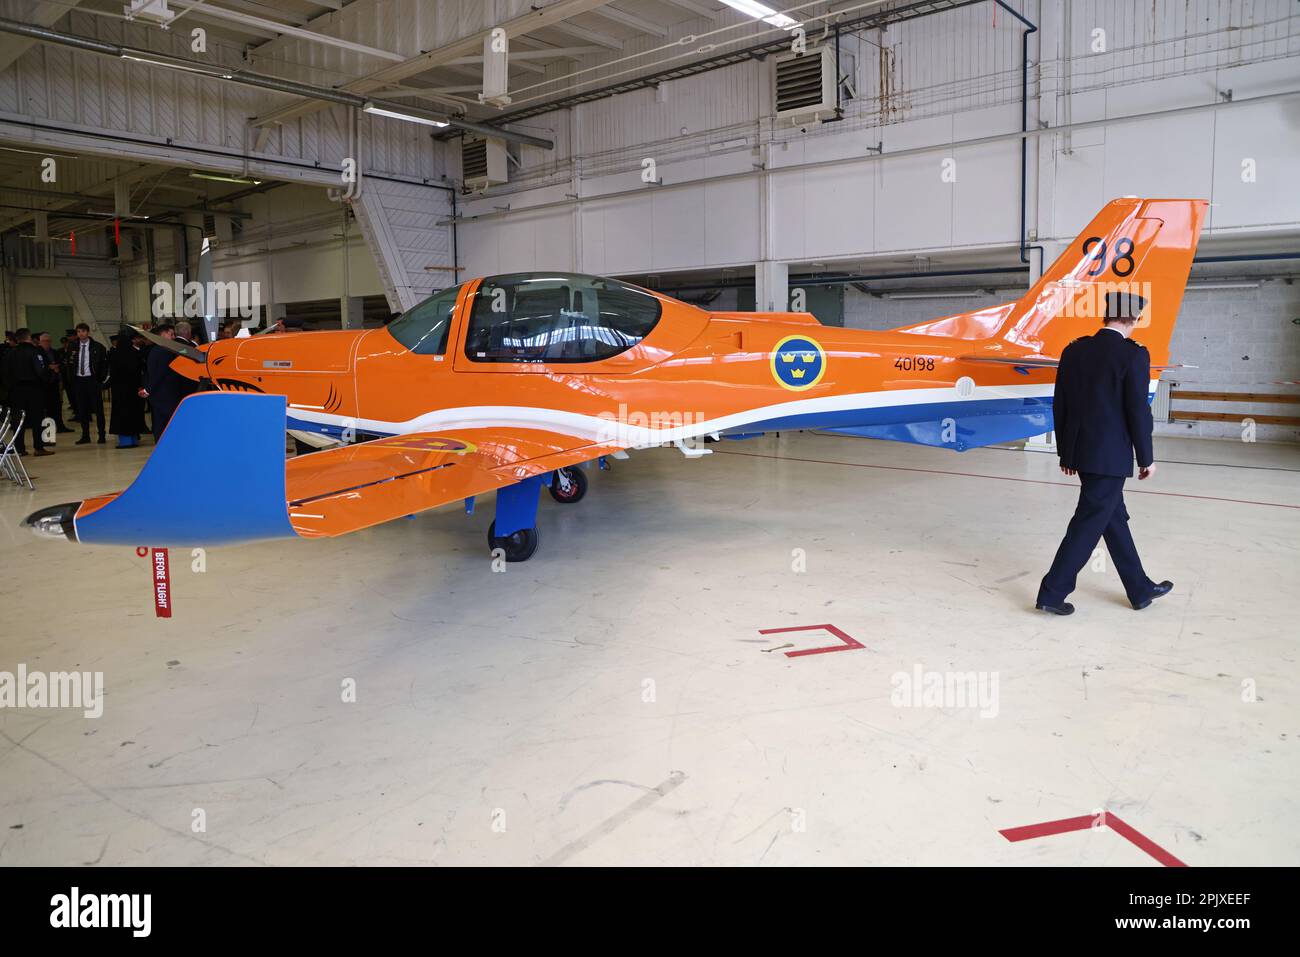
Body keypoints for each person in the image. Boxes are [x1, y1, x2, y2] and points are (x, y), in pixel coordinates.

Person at [1036, 292, 1173, 616]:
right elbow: (1137, 411)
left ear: (1107, 315)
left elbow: (1061, 405)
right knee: (1088, 523)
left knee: (1113, 517)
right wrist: (1146, 458)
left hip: (1083, 452)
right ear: (1134, 319)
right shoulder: (1134, 355)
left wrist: (1066, 453)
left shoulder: (1075, 350)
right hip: (1109, 457)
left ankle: (1139, 588)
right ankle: (1052, 593)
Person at [0, 328, 53, 457]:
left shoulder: (10, 353)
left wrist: (10, 388)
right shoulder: (35, 352)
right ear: (29, 337)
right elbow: (40, 371)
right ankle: (38, 448)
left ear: (17, 339)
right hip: (34, 389)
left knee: (17, 420)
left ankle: (19, 448)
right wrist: (47, 379)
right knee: (37, 418)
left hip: (16, 390)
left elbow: (4, 373)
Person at [139, 323, 196, 439]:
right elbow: (159, 374)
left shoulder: (155, 350)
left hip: (160, 395)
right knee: (166, 425)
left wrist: (148, 389)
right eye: (171, 334)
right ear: (163, 334)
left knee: (160, 424)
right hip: (166, 395)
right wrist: (148, 389)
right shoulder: (164, 351)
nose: (173, 337)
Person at [65, 322, 108, 444]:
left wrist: (100, 380)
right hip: (79, 380)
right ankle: (85, 435)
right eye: (78, 332)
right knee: (82, 409)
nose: (81, 334)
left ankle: (102, 434)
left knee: (98, 409)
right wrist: (71, 379)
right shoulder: (72, 346)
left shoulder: (98, 347)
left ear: (88, 332)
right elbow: (69, 364)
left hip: (92, 380)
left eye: (83, 331)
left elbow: (104, 366)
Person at [108, 331, 147, 447]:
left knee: (121, 416)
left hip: (119, 391)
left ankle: (125, 442)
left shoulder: (114, 355)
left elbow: (113, 374)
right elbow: (141, 371)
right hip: (134, 389)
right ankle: (134, 439)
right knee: (134, 414)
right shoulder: (135, 354)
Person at [36, 332, 71, 433]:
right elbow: (37, 366)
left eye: (48, 341)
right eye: (44, 341)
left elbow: (61, 363)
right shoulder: (37, 352)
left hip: (54, 382)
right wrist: (49, 367)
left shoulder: (55, 352)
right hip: (43, 384)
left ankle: (60, 426)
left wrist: (57, 368)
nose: (47, 343)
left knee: (57, 405)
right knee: (45, 408)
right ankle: (47, 430)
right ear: (40, 342)